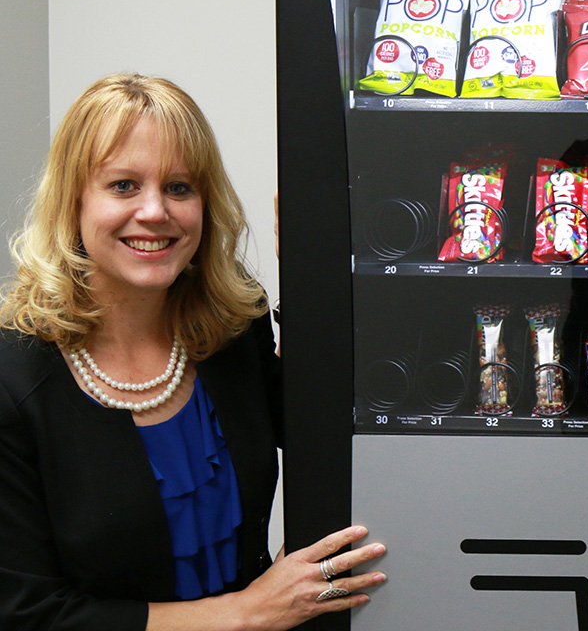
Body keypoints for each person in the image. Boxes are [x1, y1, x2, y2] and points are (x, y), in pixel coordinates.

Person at [0, 73, 386, 631]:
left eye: (180, 187)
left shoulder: (233, 324)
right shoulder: (14, 382)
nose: (156, 211)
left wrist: (311, 269)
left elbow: (327, 437)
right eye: (124, 185)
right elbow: (27, 614)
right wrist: (246, 613)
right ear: (74, 200)